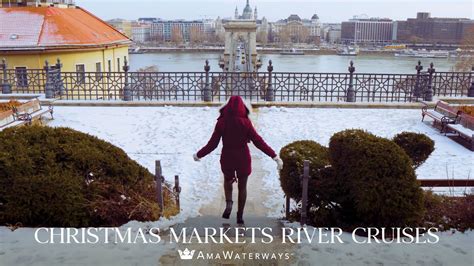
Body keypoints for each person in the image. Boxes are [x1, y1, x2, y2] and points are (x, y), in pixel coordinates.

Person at [193, 96, 283, 225]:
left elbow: (212, 144)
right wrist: (274, 156)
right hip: (243, 158)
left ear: (228, 107)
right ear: (242, 107)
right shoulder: (246, 123)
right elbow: (258, 142)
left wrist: (199, 155)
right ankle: (240, 215)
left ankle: (229, 204)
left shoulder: (222, 122)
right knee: (242, 186)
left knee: (227, 180)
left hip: (227, 156)